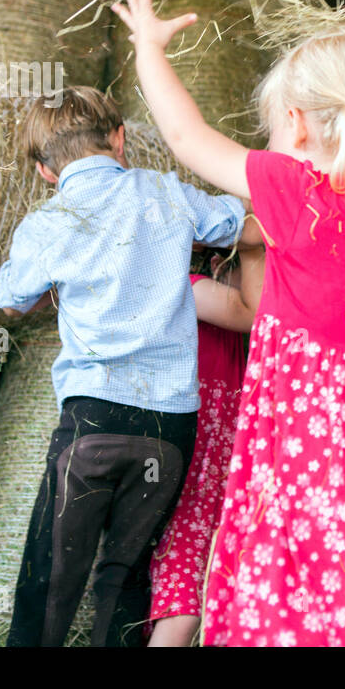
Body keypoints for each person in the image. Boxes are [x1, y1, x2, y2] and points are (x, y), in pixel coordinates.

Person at [113, 0, 345, 646]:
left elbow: (186, 137)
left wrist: (149, 48)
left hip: (308, 452)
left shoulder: (295, 188)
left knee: (286, 606)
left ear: (297, 125)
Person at [0, 86, 249, 647]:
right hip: (170, 429)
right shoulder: (165, 193)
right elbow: (237, 222)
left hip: (92, 422)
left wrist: (57, 283)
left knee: (51, 577)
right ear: (119, 137)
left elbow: (10, 298)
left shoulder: (50, 220)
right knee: (128, 579)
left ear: (44, 171)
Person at [147, 249, 256, 647]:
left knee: (205, 596)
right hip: (193, 469)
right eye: (254, 268)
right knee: (183, 603)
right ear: (218, 264)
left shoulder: (244, 348)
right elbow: (255, 311)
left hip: (217, 477)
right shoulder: (191, 290)